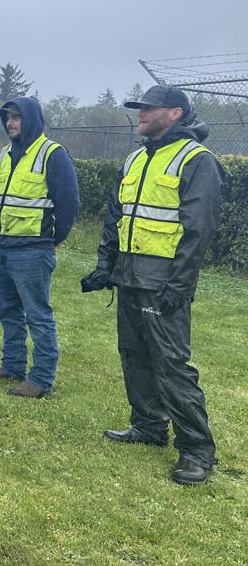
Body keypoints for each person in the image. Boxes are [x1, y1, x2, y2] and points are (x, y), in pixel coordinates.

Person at [82, 85, 224, 485]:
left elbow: (199, 232)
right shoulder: (135, 158)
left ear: (175, 113)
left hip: (164, 284)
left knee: (171, 365)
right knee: (133, 354)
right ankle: (148, 426)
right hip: (129, 277)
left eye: (148, 108)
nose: (140, 114)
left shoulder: (197, 160)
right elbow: (116, 215)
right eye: (139, 107)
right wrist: (104, 266)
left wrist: (179, 286)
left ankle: (197, 450)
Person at [0, 97, 79, 398]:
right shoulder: (3, 155)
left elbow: (69, 204)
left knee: (38, 315)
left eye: (16, 117)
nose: (10, 123)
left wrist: (50, 240)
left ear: (31, 119)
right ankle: (12, 366)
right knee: (8, 312)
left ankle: (41, 379)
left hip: (32, 249)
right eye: (7, 118)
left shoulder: (53, 154)